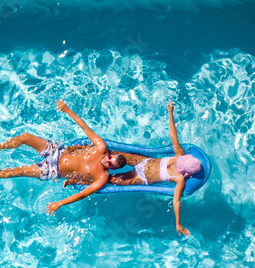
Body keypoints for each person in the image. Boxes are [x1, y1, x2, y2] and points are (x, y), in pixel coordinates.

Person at [0, 100, 129, 215]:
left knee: (16, 171)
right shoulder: (101, 147)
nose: (107, 162)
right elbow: (85, 127)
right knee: (25, 137)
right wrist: (67, 110)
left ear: (113, 168)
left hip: (52, 170)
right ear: (110, 155)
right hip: (57, 151)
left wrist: (59, 203)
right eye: (109, 158)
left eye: (110, 165)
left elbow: (83, 194)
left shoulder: (102, 177)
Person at [73, 101, 202, 236]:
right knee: (113, 157)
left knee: (109, 179)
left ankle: (79, 178)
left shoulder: (179, 158)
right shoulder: (180, 175)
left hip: (140, 177)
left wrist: (171, 114)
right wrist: (170, 114)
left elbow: (173, 136)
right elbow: (176, 201)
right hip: (143, 163)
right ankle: (88, 157)